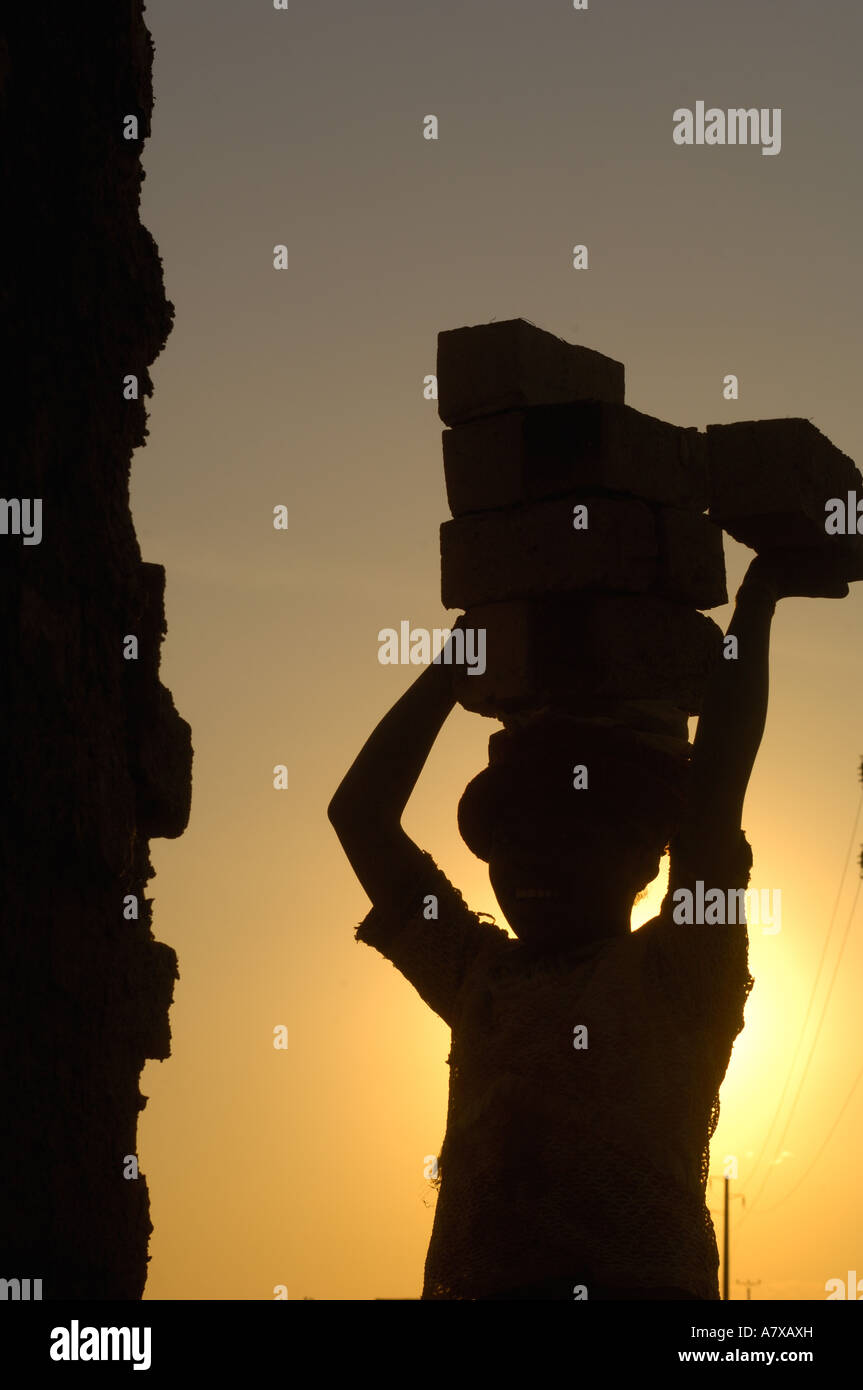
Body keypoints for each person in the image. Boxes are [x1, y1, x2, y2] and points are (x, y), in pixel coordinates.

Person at [328, 551, 847, 1300]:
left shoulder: (679, 977)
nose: (528, 866)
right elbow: (359, 817)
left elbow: (713, 797)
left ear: (642, 859)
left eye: (567, 840)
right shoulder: (480, 981)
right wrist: (451, 668)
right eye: (510, 844)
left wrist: (758, 602)